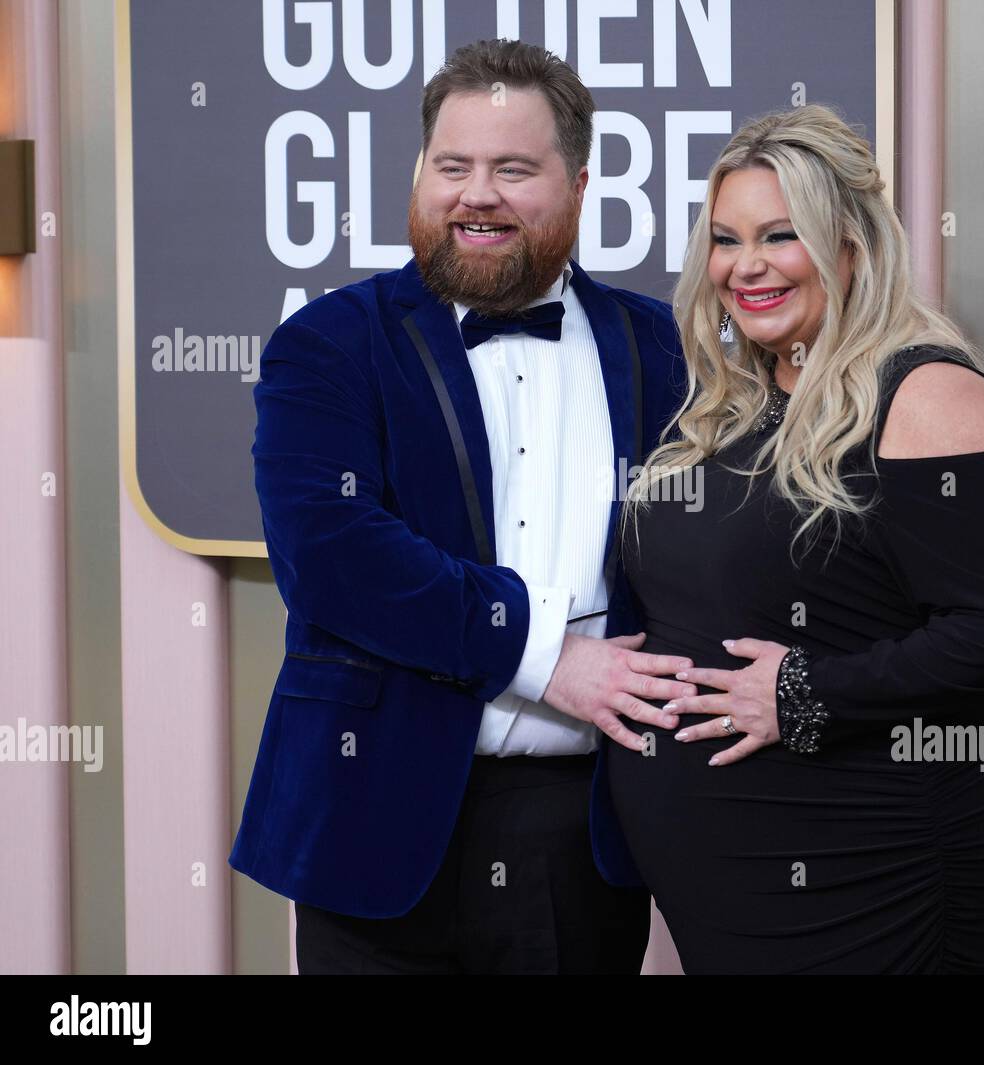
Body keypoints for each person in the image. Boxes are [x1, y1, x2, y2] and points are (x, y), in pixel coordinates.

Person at [228, 38, 694, 974]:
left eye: (513, 168)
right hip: (375, 816)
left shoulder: (662, 346)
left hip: (583, 837)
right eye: (453, 165)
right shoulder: (327, 344)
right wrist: (545, 655)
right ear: (420, 173)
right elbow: (334, 557)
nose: (476, 193)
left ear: (579, 182)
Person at [607, 104, 984, 974]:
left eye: (781, 235)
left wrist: (805, 695)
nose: (747, 266)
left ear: (850, 245)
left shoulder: (928, 397)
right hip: (735, 892)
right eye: (726, 238)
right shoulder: (729, 407)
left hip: (882, 863)